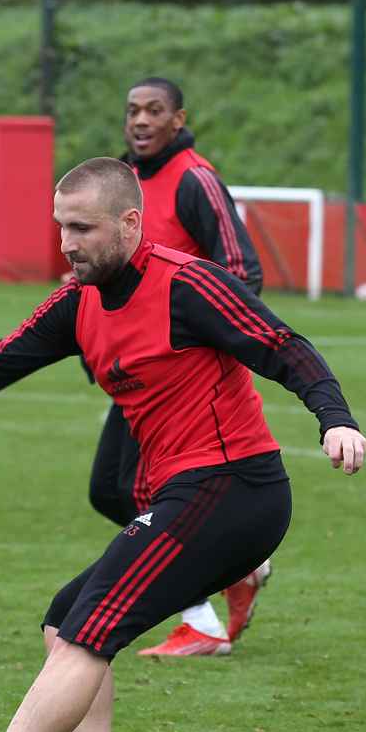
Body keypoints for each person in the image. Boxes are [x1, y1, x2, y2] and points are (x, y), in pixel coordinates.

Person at [0, 157, 366, 732]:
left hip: (232, 487)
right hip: (192, 494)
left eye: (83, 228)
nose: (66, 244)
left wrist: (335, 418)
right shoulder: (78, 303)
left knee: (86, 632)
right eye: (60, 227)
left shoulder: (186, 284)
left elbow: (283, 345)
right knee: (66, 618)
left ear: (130, 223)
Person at [105, 77, 273, 657]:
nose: (140, 120)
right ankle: (236, 570)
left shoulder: (195, 179)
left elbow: (241, 271)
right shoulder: (123, 181)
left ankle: (200, 622)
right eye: (133, 110)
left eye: (154, 110)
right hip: (136, 373)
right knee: (111, 490)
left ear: (178, 120)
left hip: (180, 378)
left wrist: (195, 340)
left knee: (140, 491)